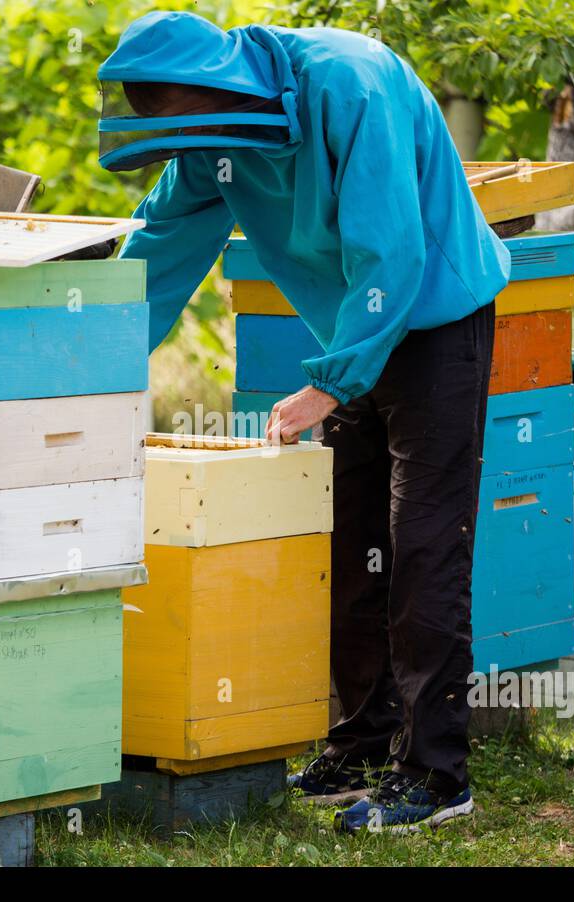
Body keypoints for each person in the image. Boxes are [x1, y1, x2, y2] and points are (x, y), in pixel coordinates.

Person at [97, 11, 510, 832]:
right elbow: (162, 245)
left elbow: (392, 254)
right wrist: (93, 371)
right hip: (347, 332)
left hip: (435, 317)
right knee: (349, 542)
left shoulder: (351, 85)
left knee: (423, 544)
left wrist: (328, 386)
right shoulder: (211, 133)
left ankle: (436, 777)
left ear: (217, 94)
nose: (188, 148)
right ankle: (361, 742)